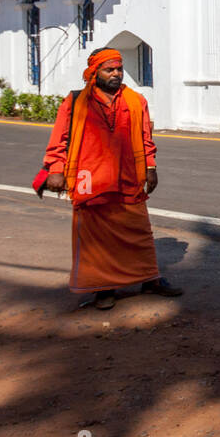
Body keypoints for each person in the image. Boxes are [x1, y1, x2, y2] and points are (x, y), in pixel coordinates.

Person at [42, 47, 182, 309]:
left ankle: (149, 279)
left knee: (138, 232)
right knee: (96, 239)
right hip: (90, 179)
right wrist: (55, 170)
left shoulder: (135, 101)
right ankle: (104, 288)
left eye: (119, 69)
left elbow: (145, 139)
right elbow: (59, 139)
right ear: (94, 73)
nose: (116, 74)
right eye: (110, 69)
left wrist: (150, 167)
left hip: (128, 177)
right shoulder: (75, 102)